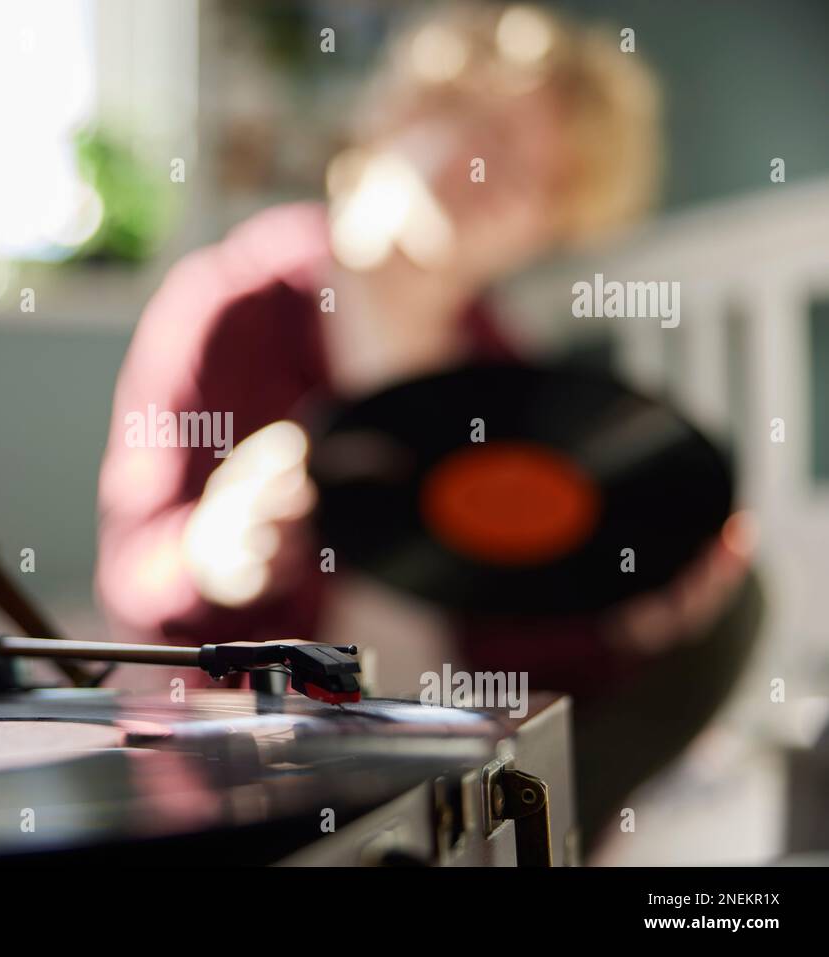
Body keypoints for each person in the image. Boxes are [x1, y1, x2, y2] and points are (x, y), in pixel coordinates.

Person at [95, 2, 760, 849]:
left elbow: (526, 624)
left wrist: (629, 625)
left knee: (739, 610)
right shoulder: (232, 308)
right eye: (496, 140)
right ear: (406, 111)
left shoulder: (505, 367)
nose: (509, 190)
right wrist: (212, 553)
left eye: (549, 182)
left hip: (452, 750)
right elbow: (133, 578)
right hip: (275, 754)